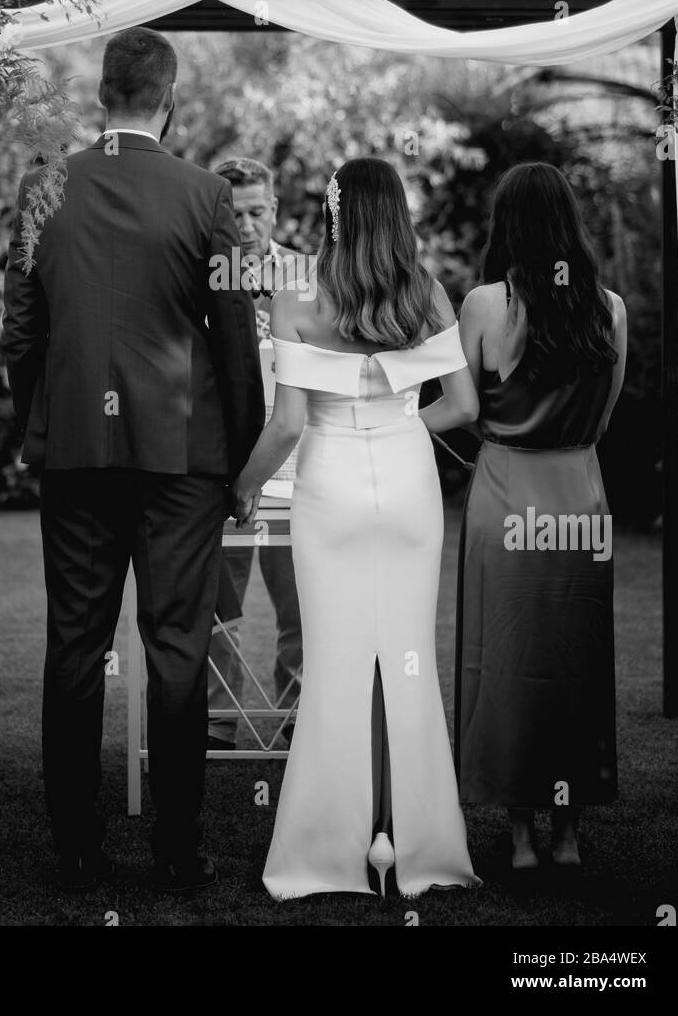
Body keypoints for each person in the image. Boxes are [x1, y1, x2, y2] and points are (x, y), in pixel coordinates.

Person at [2, 27, 264, 895]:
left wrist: (46, 418)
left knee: (74, 648)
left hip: (77, 452)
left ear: (102, 95)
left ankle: (75, 849)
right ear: (170, 98)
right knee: (178, 648)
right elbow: (234, 340)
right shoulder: (204, 195)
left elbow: (23, 334)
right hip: (182, 458)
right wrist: (243, 459)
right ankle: (179, 850)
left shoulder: (44, 187)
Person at [232, 158, 481, 898]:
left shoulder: (297, 291)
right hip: (408, 487)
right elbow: (464, 407)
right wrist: (397, 427)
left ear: (337, 211)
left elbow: (288, 424)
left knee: (337, 664)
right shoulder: (426, 290)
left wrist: (241, 486)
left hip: (331, 486)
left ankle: (326, 853)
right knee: (406, 662)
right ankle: (415, 849)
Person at [455, 162, 626, 870]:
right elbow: (604, 416)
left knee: (504, 661)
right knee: (575, 666)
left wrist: (505, 442)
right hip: (579, 497)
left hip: (503, 493)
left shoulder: (482, 305)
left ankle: (521, 836)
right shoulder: (608, 307)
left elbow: (464, 410)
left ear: (508, 224)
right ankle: (569, 834)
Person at [206, 157, 303, 752]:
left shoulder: (307, 276)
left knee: (300, 601)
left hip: (297, 458)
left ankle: (296, 715)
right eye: (234, 213)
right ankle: (219, 717)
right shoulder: (203, 272)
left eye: (257, 211)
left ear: (275, 209)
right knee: (219, 601)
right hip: (226, 462)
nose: (246, 224)